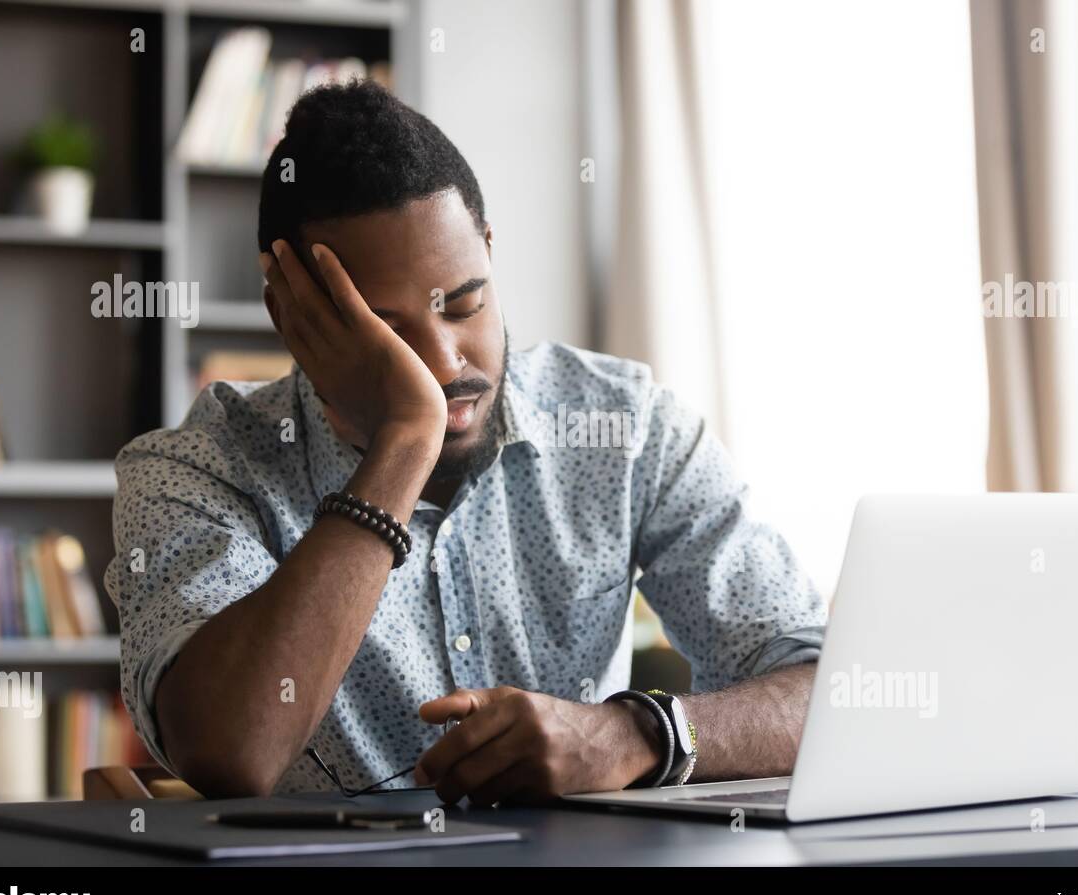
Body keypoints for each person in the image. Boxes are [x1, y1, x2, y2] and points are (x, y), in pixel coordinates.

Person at [105, 80, 826, 803]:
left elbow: (821, 689)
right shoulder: (195, 471)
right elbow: (231, 753)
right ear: (290, 312)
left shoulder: (625, 429)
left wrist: (634, 736)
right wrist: (404, 442)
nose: (446, 363)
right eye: (389, 330)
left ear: (488, 247)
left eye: (463, 303)